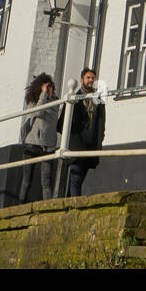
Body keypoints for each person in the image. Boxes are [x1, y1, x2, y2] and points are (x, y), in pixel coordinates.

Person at [59, 68, 105, 197]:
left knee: (78, 180)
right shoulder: (74, 97)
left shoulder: (98, 99)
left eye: (92, 78)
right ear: (82, 80)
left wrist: (100, 141)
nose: (91, 80)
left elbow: (102, 122)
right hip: (76, 145)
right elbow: (62, 123)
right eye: (88, 77)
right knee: (76, 178)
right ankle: (75, 208)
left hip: (90, 146)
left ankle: (67, 205)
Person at [18, 73, 59, 203]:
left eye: (51, 86)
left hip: (48, 145)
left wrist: (47, 96)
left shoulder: (55, 101)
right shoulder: (33, 101)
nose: (49, 89)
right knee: (27, 180)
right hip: (32, 143)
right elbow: (38, 112)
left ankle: (47, 208)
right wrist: (43, 95)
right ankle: (20, 205)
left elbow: (47, 113)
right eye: (47, 86)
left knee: (46, 182)